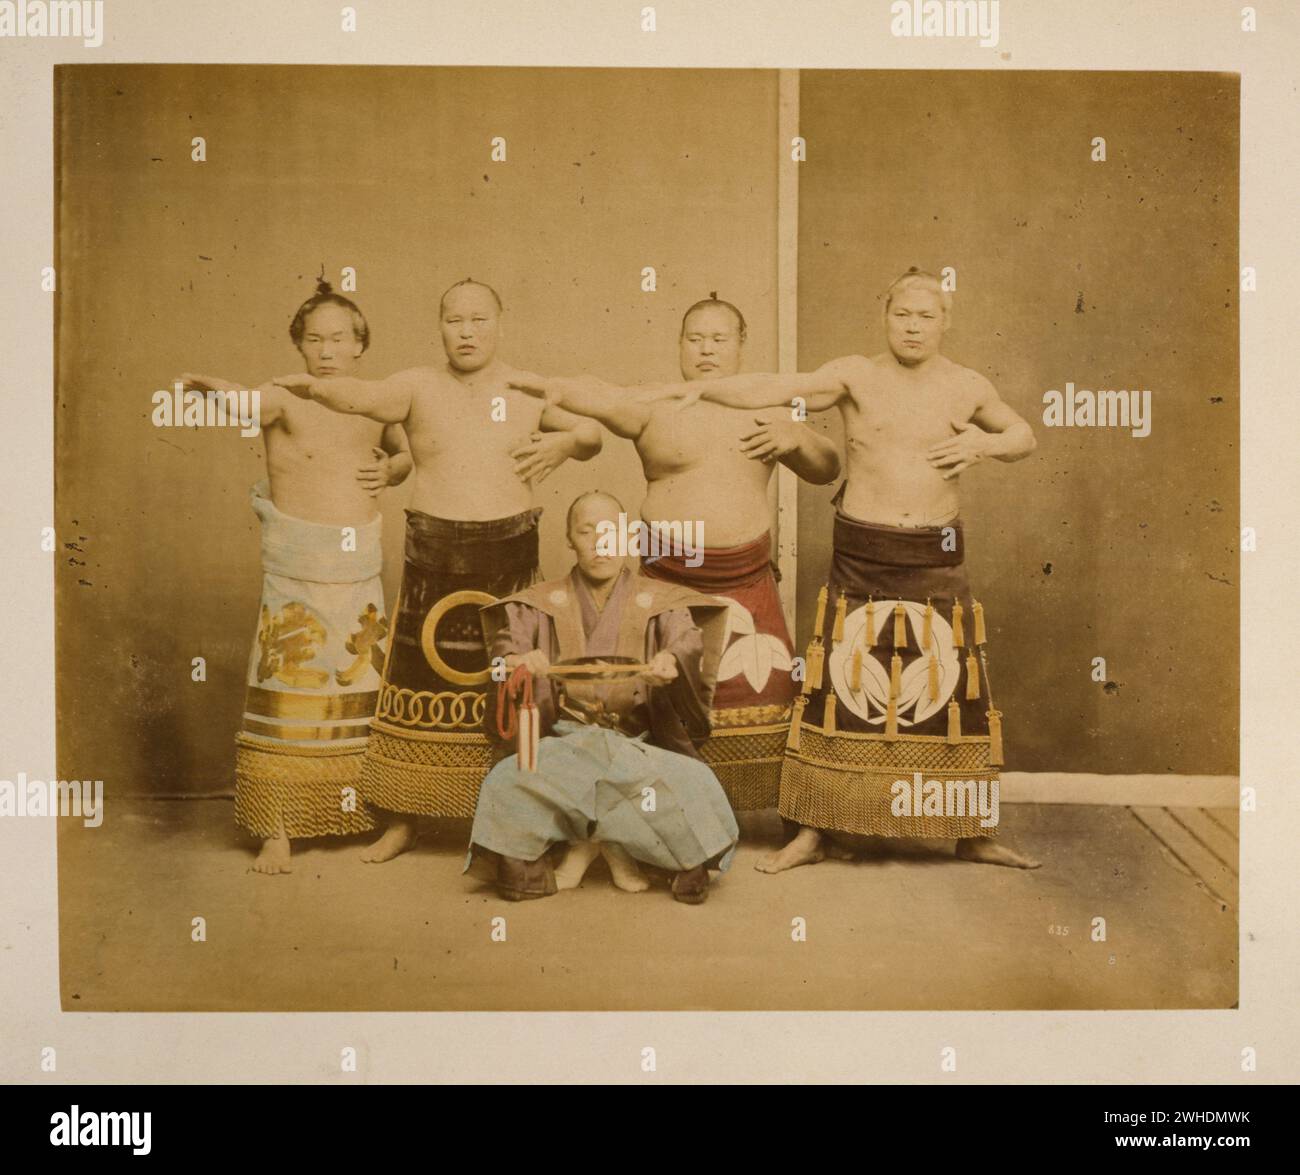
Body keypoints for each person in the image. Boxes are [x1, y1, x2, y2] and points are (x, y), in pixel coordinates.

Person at [642, 269, 1040, 871]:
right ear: (885, 315)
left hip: (935, 551)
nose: (911, 326)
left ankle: (971, 831)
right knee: (837, 690)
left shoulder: (967, 385)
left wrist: (982, 447)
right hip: (860, 551)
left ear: (944, 322)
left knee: (954, 688)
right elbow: (785, 386)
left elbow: (1023, 435)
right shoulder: (855, 374)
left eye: (925, 316)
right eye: (901, 313)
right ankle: (814, 831)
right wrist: (709, 391)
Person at [275, 279, 601, 861]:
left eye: (478, 319)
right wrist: (311, 388)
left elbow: (593, 432)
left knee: (517, 687)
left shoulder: (523, 387)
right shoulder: (415, 386)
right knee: (418, 686)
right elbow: (360, 398)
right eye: (455, 320)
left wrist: (567, 442)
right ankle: (405, 818)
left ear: (500, 323)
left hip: (510, 557)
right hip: (433, 552)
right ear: (440, 327)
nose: (467, 331)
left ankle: (524, 821)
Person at [508, 295, 839, 811]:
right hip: (665, 584)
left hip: (746, 578)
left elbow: (826, 469)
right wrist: (550, 386)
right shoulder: (652, 406)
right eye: (694, 338)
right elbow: (598, 395)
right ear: (680, 345)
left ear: (740, 347)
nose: (706, 350)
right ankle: (656, 817)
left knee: (766, 704)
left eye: (719, 339)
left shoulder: (769, 407)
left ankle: (775, 817)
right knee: (652, 706)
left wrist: (794, 435)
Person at [180, 279, 412, 875]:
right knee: (290, 694)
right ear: (299, 346)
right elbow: (245, 404)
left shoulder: (373, 401)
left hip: (357, 567)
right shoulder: (283, 395)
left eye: (339, 339)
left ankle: (381, 812)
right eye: (314, 339)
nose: (326, 350)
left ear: (360, 345)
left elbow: (406, 451)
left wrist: (394, 470)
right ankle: (277, 827)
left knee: (360, 689)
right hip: (297, 567)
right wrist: (212, 389)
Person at [467, 491, 739, 903]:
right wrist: (522, 662)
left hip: (636, 748)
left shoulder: (659, 601)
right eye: (587, 531)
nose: (600, 542)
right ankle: (610, 847)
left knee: (693, 782)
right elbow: (502, 660)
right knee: (506, 782)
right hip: (561, 747)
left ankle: (598, 848)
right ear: (569, 539)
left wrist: (671, 660)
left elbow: (688, 642)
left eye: (610, 531)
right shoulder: (537, 604)